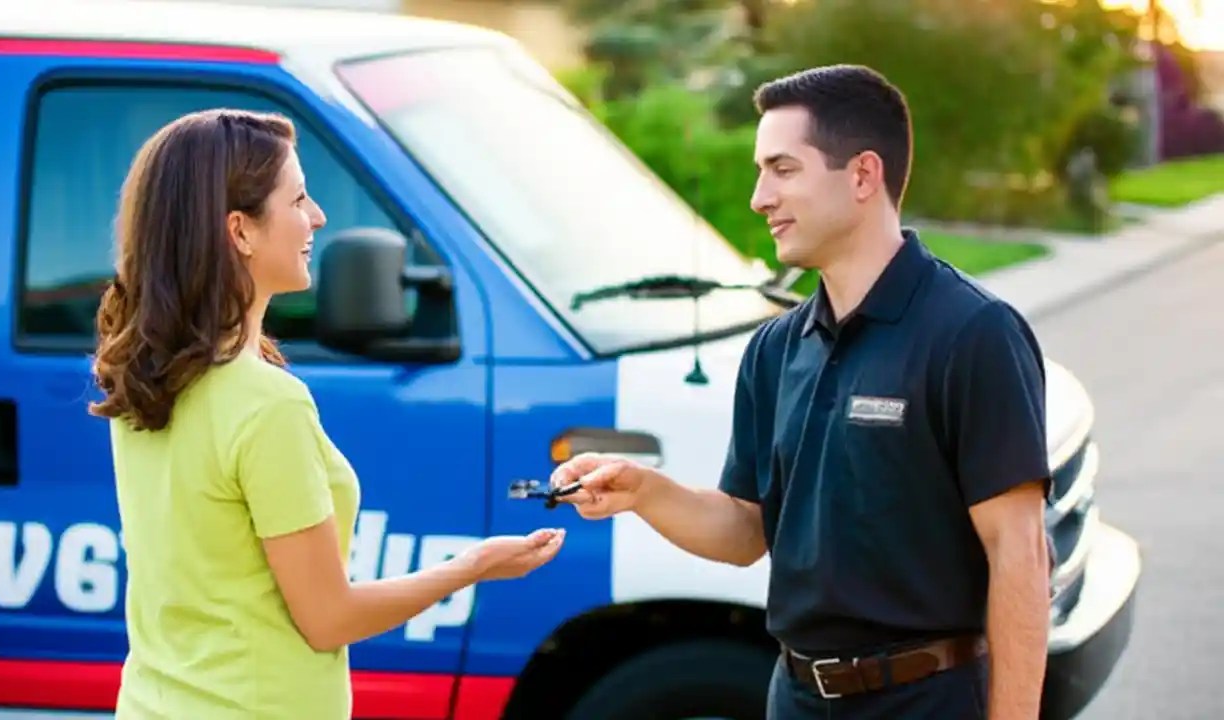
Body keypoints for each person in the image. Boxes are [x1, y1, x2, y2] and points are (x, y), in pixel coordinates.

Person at [550, 65, 1053, 719]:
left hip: (925, 701)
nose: (761, 196)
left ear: (863, 175)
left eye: (783, 170)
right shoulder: (775, 348)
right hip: (794, 697)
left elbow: (1019, 554)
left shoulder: (972, 334)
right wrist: (644, 491)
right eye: (762, 171)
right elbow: (745, 530)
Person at [88, 108, 565, 720]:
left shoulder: (145, 375)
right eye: (299, 199)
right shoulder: (266, 402)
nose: (318, 217)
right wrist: (472, 567)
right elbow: (328, 618)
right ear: (241, 230)